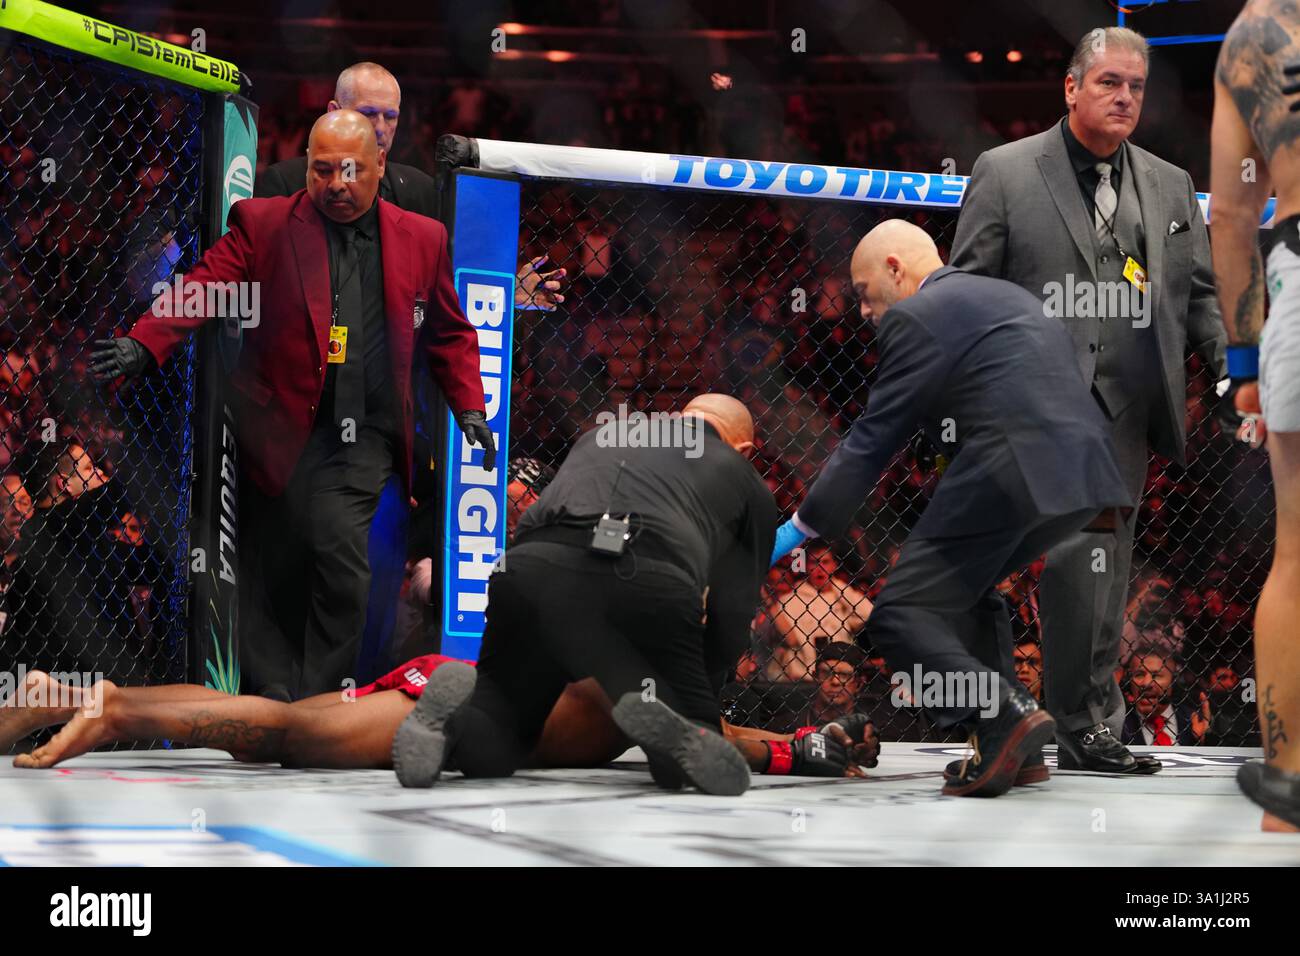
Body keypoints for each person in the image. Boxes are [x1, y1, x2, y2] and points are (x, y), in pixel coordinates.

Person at [89, 111, 491, 701]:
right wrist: (144, 341)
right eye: (321, 169)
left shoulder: (422, 238)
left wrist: (470, 408)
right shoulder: (265, 223)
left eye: (350, 170)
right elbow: (205, 283)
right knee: (275, 569)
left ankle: (322, 706)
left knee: (342, 561)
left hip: (365, 435)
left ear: (380, 165)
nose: (335, 184)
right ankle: (275, 702)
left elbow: (451, 334)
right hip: (276, 427)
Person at [771, 220, 1133, 797]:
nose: (862, 313)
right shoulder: (1006, 296)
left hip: (1012, 461)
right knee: (971, 588)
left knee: (898, 615)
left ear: (895, 268)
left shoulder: (920, 314)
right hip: (1088, 477)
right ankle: (1013, 750)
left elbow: (875, 435)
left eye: (864, 293)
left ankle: (1004, 712)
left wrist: (800, 526)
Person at [950, 26, 1225, 775]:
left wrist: (1228, 372)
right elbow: (967, 291)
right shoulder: (1005, 172)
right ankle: (1049, 723)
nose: (1126, 97)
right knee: (1062, 562)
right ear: (1072, 87)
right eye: (1109, 82)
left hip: (1125, 410)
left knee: (1102, 569)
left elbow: (1197, 293)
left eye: (1136, 85)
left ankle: (1084, 725)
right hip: (1031, 407)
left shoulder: (1168, 185)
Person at [392, 394, 822, 796]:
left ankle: (451, 725)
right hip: (649, 577)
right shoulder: (745, 479)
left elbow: (527, 534)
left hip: (533, 568)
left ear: (677, 419)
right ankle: (676, 728)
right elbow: (731, 617)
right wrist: (698, 695)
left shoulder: (604, 433)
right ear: (743, 449)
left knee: (497, 737)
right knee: (689, 754)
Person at [255, 62, 566, 313]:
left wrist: (506, 295)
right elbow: (266, 283)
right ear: (334, 110)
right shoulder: (284, 182)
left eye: (390, 116)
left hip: (389, 373)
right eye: (367, 113)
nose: (379, 127)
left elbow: (448, 281)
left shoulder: (419, 190)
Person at [1211, 0, 1300, 832]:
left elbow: (1235, 210)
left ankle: (1289, 794)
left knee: (1297, 550)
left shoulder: (1254, 34)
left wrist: (1244, 363)